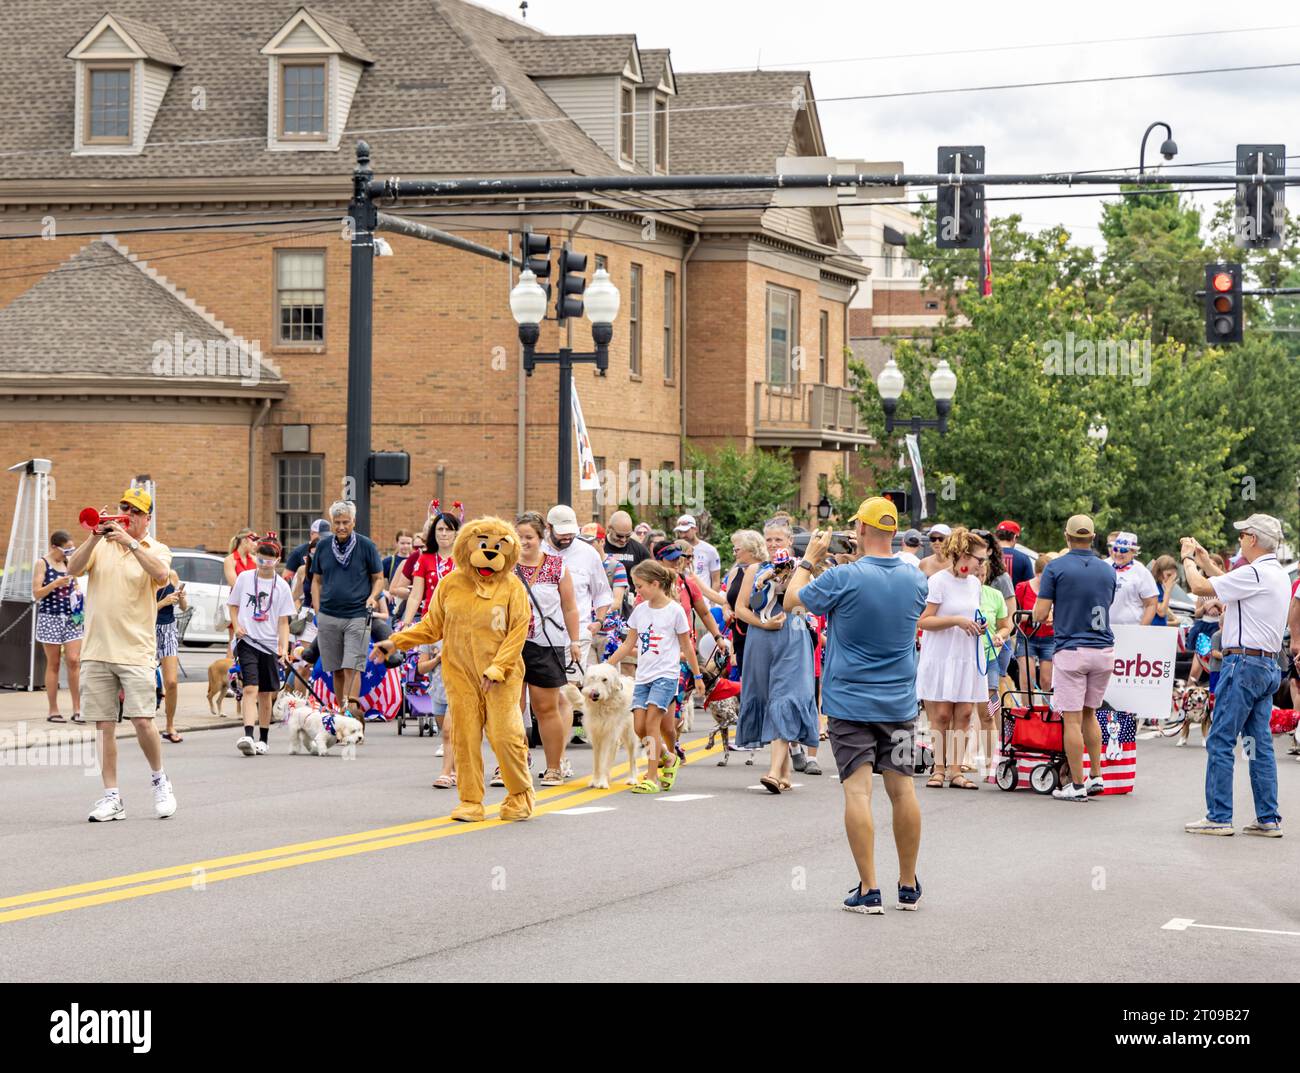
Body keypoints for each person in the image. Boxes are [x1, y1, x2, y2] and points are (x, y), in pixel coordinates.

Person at [786, 498, 927, 914]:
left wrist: (809, 560)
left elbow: (794, 599)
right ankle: (907, 884)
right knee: (903, 789)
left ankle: (869, 889)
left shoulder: (845, 576)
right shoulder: (915, 579)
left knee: (858, 791)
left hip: (850, 701)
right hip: (899, 701)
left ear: (862, 531)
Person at [66, 487, 176, 822]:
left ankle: (160, 781)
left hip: (136, 650)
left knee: (143, 720)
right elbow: (73, 568)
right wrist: (94, 537)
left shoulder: (157, 549)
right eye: (123, 508)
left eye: (134, 511)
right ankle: (111, 797)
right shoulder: (102, 545)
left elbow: (160, 575)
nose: (126, 514)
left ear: (147, 518)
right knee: (103, 726)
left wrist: (129, 541)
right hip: (97, 648)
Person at [1185, 515, 1289, 836]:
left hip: (1242, 664)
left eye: (1243, 535)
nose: (1240, 540)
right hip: (1266, 665)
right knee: (1258, 744)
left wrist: (1189, 559)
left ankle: (1218, 816)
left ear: (1253, 540)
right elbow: (1231, 584)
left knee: (1221, 739)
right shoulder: (1276, 574)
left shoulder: (1255, 572)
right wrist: (1205, 560)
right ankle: (1267, 817)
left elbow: (1200, 587)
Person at [1032, 514, 1116, 803]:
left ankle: (1077, 784)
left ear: (1066, 537)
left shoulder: (1056, 568)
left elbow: (1040, 614)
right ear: (1093, 538)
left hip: (1071, 650)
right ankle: (1096, 776)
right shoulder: (1108, 570)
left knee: (1072, 719)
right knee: (1091, 713)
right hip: (1103, 649)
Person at [735, 522, 821, 792]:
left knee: (785, 696)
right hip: (761, 638)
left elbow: (810, 605)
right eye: (769, 539)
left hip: (793, 635)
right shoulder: (754, 569)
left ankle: (773, 772)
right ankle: (784, 772)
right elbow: (740, 608)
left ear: (790, 540)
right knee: (766, 695)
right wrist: (763, 624)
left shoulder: (802, 569)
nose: (773, 544)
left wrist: (789, 583)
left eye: (778, 539)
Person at [605, 560, 704, 794]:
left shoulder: (675, 611)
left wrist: (697, 675)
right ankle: (668, 757)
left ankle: (651, 776)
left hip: (666, 676)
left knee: (652, 724)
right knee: (639, 727)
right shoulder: (640, 611)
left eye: (639, 586)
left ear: (655, 584)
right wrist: (607, 665)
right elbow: (629, 643)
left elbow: (687, 647)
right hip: (644, 676)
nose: (636, 591)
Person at [916, 527, 989, 790]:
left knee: (966, 713)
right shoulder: (938, 581)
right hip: (942, 655)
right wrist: (956, 621)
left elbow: (972, 614)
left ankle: (956, 770)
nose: (982, 565)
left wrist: (979, 625)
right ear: (963, 555)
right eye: (979, 559)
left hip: (967, 653)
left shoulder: (974, 584)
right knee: (943, 714)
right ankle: (939, 768)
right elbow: (924, 621)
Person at [515, 511, 582, 786]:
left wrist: (575, 641)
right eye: (517, 537)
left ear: (541, 537)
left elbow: (569, 606)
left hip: (546, 643)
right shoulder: (504, 566)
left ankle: (553, 767)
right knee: (509, 708)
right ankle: (511, 762)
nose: (522, 542)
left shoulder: (557, 565)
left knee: (546, 707)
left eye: (528, 537)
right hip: (510, 644)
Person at [400, 510, 460, 786]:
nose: (444, 534)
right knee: (437, 689)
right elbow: (416, 593)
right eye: (439, 530)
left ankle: (454, 760)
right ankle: (447, 737)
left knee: (456, 692)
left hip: (458, 626)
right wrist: (405, 623)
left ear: (457, 533)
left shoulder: (464, 559)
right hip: (431, 624)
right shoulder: (424, 560)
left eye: (448, 529)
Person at [308, 501, 384, 719]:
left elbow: (378, 579)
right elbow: (317, 581)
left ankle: (350, 714)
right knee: (337, 669)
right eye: (337, 522)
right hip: (329, 615)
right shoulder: (323, 546)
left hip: (357, 615)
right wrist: (318, 610)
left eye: (346, 522)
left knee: (353, 667)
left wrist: (372, 597)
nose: (341, 526)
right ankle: (340, 714)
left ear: (354, 522)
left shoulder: (366, 545)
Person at [229, 537, 293, 756]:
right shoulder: (245, 578)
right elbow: (233, 605)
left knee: (266, 693)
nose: (263, 565)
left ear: (277, 560)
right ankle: (247, 734)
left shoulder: (282, 586)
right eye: (260, 560)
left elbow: (284, 622)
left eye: (268, 561)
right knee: (250, 688)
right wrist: (237, 626)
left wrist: (283, 648)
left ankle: (263, 738)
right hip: (247, 641)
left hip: (269, 645)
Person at [33, 530, 84, 724]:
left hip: (72, 617)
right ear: (54, 547)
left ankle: (77, 708)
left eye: (71, 549)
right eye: (66, 549)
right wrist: (55, 584)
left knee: (74, 660)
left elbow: (76, 586)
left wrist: (78, 595)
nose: (68, 553)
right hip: (50, 617)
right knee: (53, 663)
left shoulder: (69, 563)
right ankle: (53, 710)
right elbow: (37, 593)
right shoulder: (42, 563)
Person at [723, 529, 768, 675]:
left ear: (752, 550)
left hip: (760, 635)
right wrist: (726, 611)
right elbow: (726, 602)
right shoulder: (735, 572)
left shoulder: (766, 571)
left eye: (737, 549)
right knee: (746, 682)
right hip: (739, 637)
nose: (734, 553)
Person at [154, 568, 188, 743]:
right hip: (146, 629)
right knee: (145, 681)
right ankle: (146, 725)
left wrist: (181, 597)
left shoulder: (172, 575)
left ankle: (169, 726)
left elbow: (183, 607)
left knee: (172, 682)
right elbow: (137, 609)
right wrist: (164, 602)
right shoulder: (143, 575)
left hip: (168, 629)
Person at [1015, 553, 1057, 694]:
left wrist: (1052, 616)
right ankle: (1028, 713)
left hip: (1049, 638)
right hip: (1027, 637)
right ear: (1036, 573)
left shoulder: (1056, 589)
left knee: (1047, 680)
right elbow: (1015, 615)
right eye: (1043, 577)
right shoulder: (1023, 587)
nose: (1047, 581)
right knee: (1028, 679)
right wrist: (1036, 616)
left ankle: (1047, 714)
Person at [1184, 561, 1225, 686]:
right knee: (1198, 665)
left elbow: (1229, 609)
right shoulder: (1202, 588)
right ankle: (1188, 693)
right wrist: (1204, 607)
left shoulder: (1225, 587)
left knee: (1217, 666)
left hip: (1220, 629)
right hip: (1204, 629)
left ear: (1220, 567)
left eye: (1214, 564)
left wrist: (1217, 604)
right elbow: (1196, 613)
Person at [1106, 531, 1158, 626]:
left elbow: (1152, 604)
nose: (1118, 553)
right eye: (1116, 549)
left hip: (1131, 629)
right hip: (1104, 630)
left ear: (1133, 552)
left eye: (1123, 550)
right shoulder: (1103, 566)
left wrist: (1141, 630)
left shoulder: (1141, 571)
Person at [675, 514, 721, 596]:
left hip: (705, 600)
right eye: (680, 532)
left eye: (686, 531)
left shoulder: (710, 550)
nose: (682, 535)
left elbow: (716, 580)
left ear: (695, 529)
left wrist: (713, 603)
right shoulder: (675, 549)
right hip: (683, 599)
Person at [995, 520, 1034, 586]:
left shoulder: (986, 555)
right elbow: (1029, 587)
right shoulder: (1024, 559)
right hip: (1015, 596)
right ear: (1014, 537)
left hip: (988, 596)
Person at [1149, 554, 1179, 627]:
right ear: (1159, 572)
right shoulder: (1152, 586)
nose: (1171, 579)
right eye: (1168, 575)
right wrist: (1168, 591)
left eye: (1173, 576)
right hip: (1153, 631)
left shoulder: (1159, 586)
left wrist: (1174, 618)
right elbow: (1161, 612)